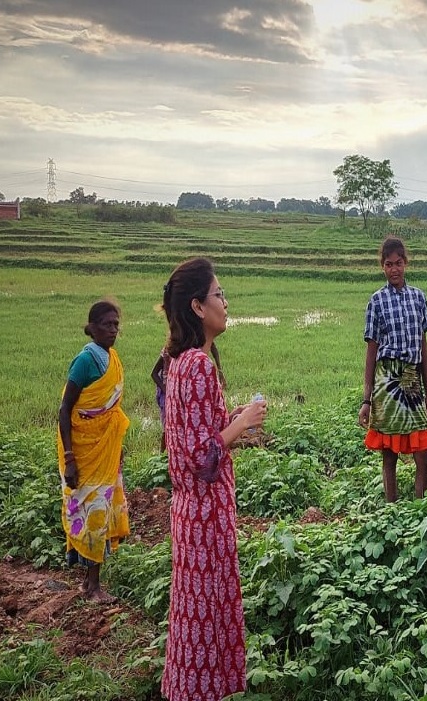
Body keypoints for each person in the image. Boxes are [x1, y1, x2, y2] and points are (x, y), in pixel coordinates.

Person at [161, 257, 266, 701]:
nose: (226, 302)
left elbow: (199, 439)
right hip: (207, 516)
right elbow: (204, 456)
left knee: (191, 623)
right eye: (219, 294)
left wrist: (234, 422)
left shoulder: (179, 363)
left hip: (188, 513)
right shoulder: (200, 367)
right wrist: (242, 424)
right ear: (198, 307)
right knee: (208, 623)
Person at [56, 300, 130, 603]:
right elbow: (64, 410)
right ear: (93, 327)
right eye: (106, 324)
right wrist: (70, 459)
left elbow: (110, 410)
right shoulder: (85, 362)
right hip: (84, 452)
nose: (113, 329)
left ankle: (90, 584)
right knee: (91, 511)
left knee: (101, 511)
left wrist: (117, 446)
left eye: (116, 324)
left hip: (104, 449)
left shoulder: (111, 358)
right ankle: (92, 586)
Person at [359, 236, 427, 502]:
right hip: (387, 378)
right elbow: (371, 352)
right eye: (389, 264)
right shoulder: (377, 301)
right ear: (383, 267)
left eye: (399, 263)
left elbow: (423, 347)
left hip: (410, 377)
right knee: (389, 452)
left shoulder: (419, 297)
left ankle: (421, 509)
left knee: (423, 452)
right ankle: (391, 509)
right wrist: (366, 399)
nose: (394, 269)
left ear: (406, 264)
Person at [150, 347, 170, 450]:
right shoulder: (169, 349)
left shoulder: (191, 348)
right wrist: (166, 390)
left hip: (178, 394)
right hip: (167, 395)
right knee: (167, 430)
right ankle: (161, 457)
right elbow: (154, 373)